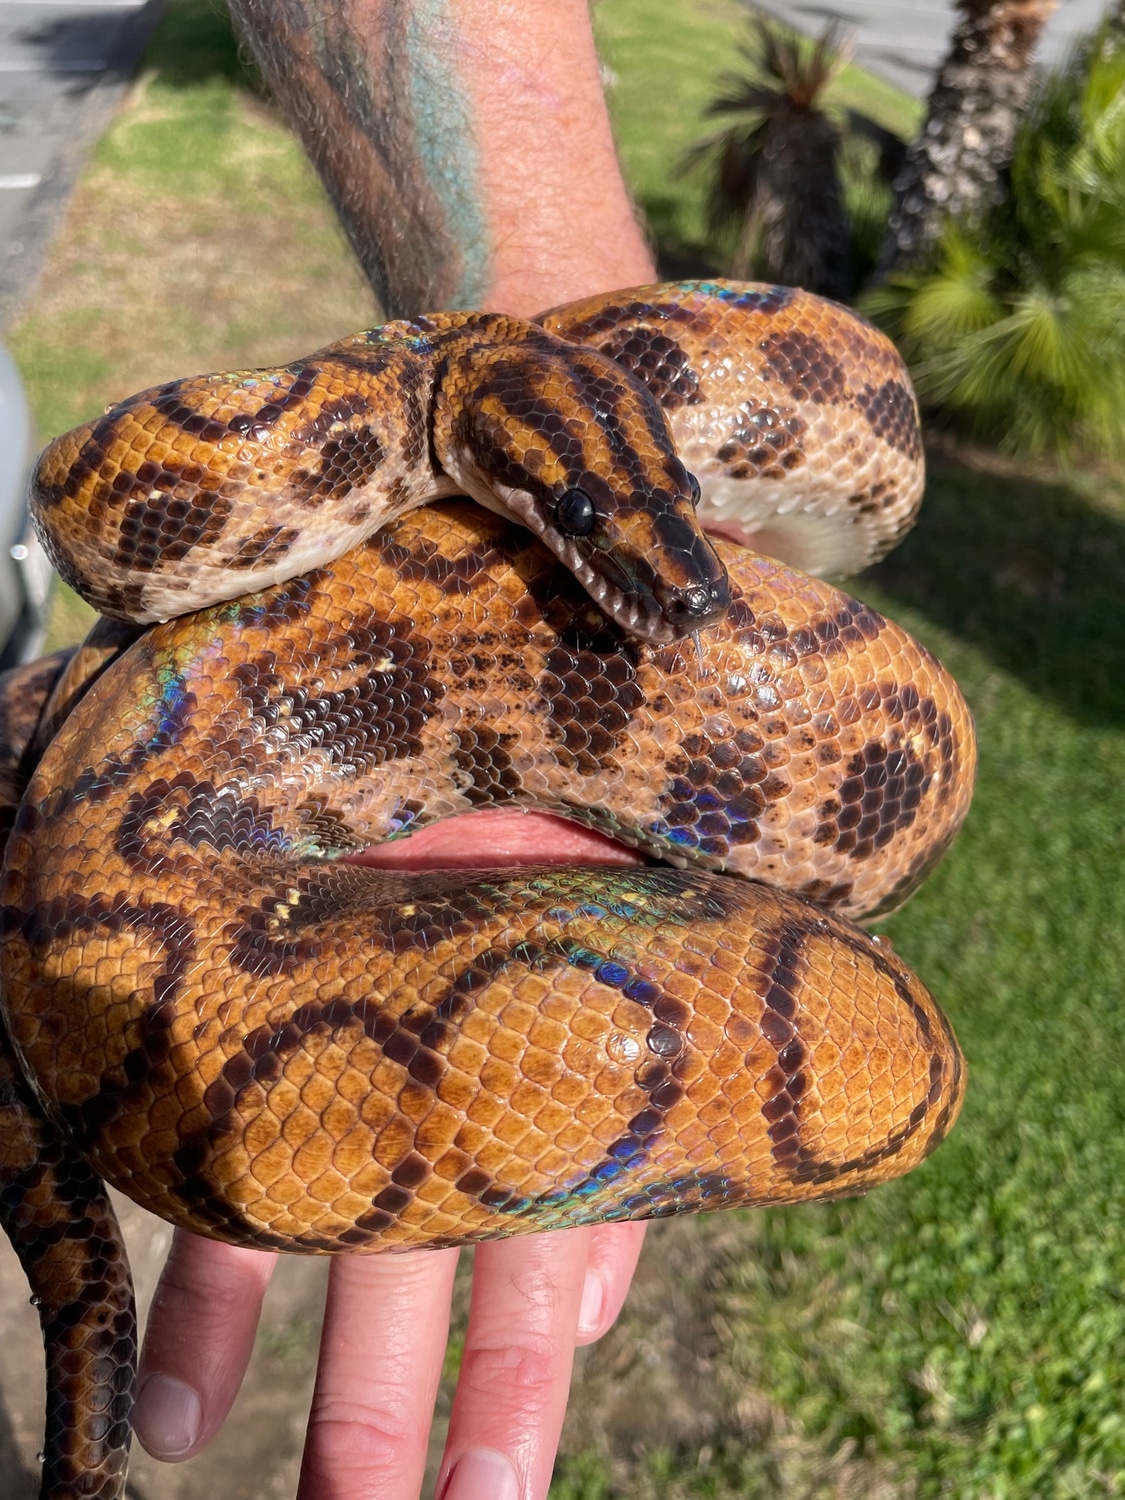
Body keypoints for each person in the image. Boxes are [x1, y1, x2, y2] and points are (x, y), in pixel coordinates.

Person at [133, 3, 662, 1496]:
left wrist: (560, 318)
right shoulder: (369, 433)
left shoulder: (519, 427)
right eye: (579, 522)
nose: (660, 583)